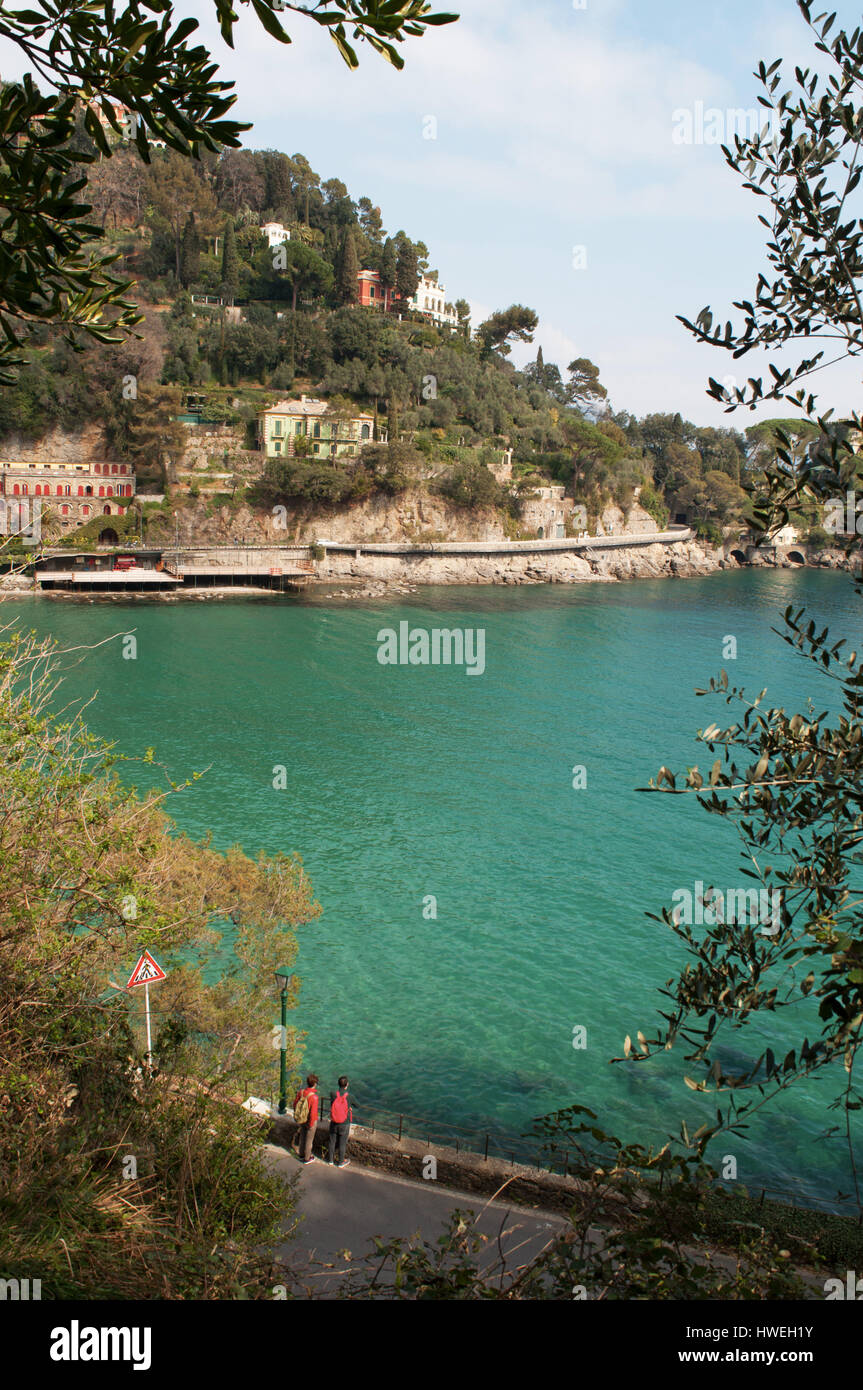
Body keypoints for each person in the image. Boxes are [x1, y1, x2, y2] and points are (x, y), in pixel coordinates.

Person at [291, 1073, 319, 1164]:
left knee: (302, 1136)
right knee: (309, 1140)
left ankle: (301, 1154)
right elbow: (313, 1113)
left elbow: (295, 1104)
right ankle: (307, 1158)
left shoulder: (301, 1092)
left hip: (302, 1118)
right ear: (315, 1084)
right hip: (310, 1121)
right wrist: (311, 1124)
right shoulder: (314, 1097)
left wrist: (298, 1115)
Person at [327, 1075, 353, 1168]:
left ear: (338, 1084)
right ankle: (341, 1162)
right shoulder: (349, 1096)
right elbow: (358, 1105)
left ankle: (330, 1160)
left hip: (334, 1121)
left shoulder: (333, 1094)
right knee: (342, 1143)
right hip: (344, 1123)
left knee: (332, 1141)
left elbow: (332, 1103)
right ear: (347, 1085)